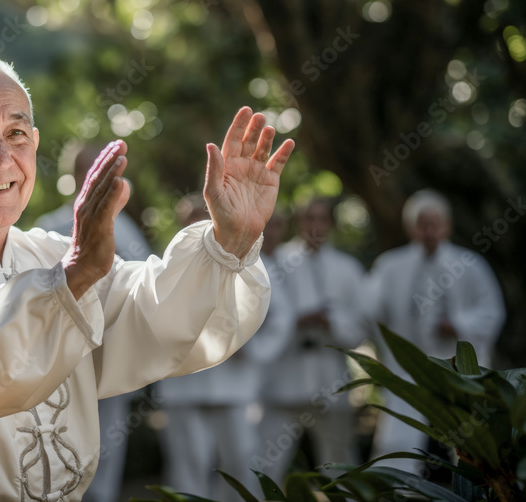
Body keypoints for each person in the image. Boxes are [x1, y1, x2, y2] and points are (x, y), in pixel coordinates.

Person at [0, 55, 294, 501]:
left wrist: (228, 241)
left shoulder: (51, 254)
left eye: (16, 134)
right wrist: (73, 277)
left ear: (34, 145)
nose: (0, 158)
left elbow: (153, 314)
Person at [35, 144, 153, 502]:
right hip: (58, 365)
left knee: (105, 455)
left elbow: (145, 290)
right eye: (86, 170)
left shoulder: (127, 229)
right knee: (55, 454)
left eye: (100, 171)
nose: (93, 178)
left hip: (107, 358)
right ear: (71, 177)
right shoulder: (47, 228)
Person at [156, 198, 294, 500]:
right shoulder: (166, 263)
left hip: (234, 384)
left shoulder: (250, 257)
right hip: (183, 386)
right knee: (187, 467)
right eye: (189, 220)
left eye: (201, 219)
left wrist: (252, 348)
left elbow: (281, 316)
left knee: (241, 462)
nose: (196, 225)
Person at [366, 190, 505, 473]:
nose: (429, 230)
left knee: (470, 442)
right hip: (411, 367)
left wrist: (459, 325)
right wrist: (386, 352)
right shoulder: (390, 266)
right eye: (422, 223)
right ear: (410, 227)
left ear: (447, 225)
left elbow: (492, 311)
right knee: (397, 441)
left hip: (460, 370)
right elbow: (368, 311)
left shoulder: (470, 265)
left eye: (435, 223)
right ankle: (397, 491)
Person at [258, 198, 366, 481]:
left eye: (321, 219)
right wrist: (296, 321)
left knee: (339, 462)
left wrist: (332, 321)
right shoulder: (276, 261)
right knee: (264, 462)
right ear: (299, 223)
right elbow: (259, 315)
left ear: (330, 224)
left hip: (329, 377)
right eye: (309, 219)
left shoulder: (348, 268)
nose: (315, 226)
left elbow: (361, 323)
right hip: (283, 377)